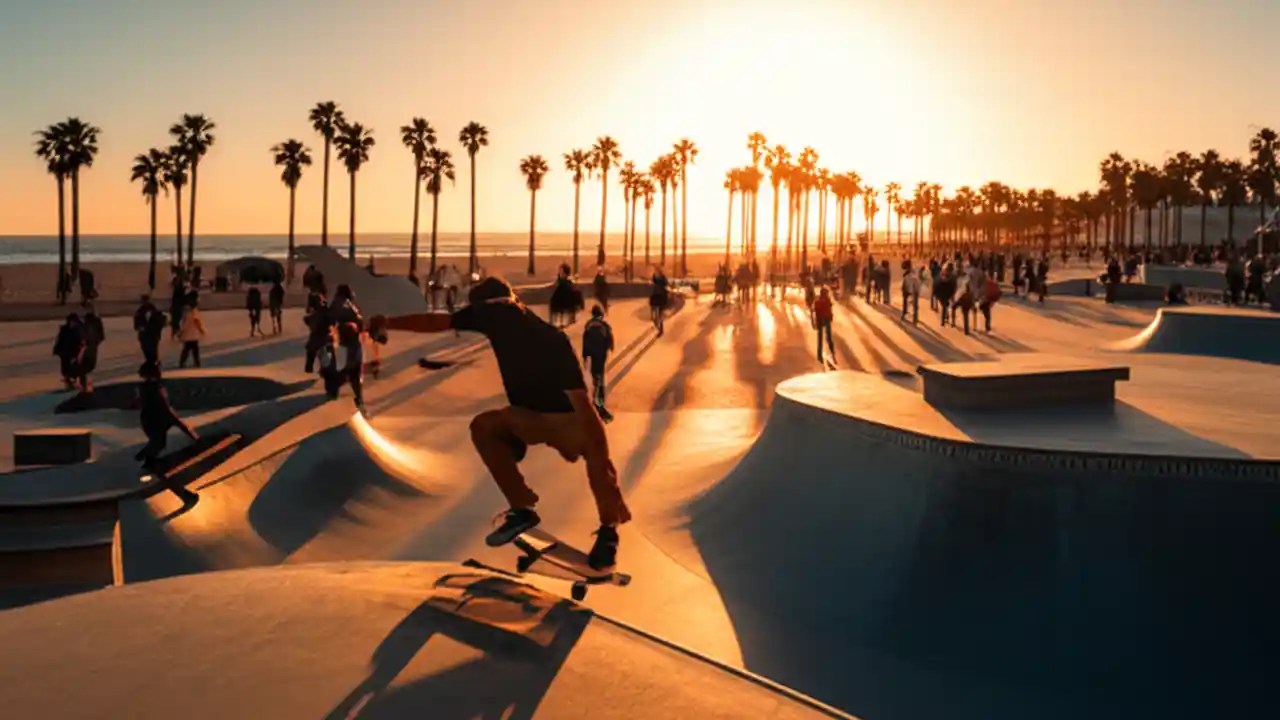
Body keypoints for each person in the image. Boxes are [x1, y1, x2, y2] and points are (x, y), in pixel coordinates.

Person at [388, 277, 628, 570]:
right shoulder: (498, 318)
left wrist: (607, 481)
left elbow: (584, 406)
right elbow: (437, 322)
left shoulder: (548, 338)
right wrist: (387, 322)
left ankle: (607, 532)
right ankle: (525, 507)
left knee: (596, 456)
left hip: (567, 421)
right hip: (528, 418)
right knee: (484, 425)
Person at [133, 360, 200, 506]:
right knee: (157, 465)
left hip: (150, 424)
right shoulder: (155, 389)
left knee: (156, 463)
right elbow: (169, 412)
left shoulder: (145, 389)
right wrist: (191, 434)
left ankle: (185, 496)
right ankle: (185, 496)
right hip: (156, 425)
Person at [582, 304, 615, 421]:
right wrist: (610, 347)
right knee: (600, 377)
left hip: (592, 353)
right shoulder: (604, 325)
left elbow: (585, 341)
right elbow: (610, 339)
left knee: (594, 375)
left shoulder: (589, 325)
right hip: (601, 354)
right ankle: (599, 402)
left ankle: (595, 399)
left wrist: (585, 355)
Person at [53, 314, 84, 391]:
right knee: (65, 368)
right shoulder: (65, 330)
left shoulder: (78, 329)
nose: (72, 323)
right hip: (65, 351)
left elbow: (80, 340)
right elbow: (59, 340)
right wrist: (57, 349)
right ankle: (69, 382)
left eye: (73, 322)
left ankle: (72, 381)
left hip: (72, 352)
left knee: (73, 368)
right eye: (71, 322)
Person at [79, 309, 105, 392]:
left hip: (88, 349)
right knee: (87, 367)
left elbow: (101, 335)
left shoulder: (87, 326)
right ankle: (84, 383)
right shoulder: (93, 325)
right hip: (90, 349)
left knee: (85, 367)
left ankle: (84, 383)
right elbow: (101, 335)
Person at [178, 296, 206, 368]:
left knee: (187, 349)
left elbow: (184, 323)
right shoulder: (194, 312)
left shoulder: (187, 312)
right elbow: (196, 321)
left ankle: (183, 362)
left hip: (188, 333)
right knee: (194, 349)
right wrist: (201, 329)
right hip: (193, 334)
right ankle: (196, 362)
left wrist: (181, 332)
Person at [813, 286, 835, 365]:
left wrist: (814, 322)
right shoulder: (826, 300)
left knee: (820, 338)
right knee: (828, 337)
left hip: (820, 320)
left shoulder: (818, 301)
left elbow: (815, 311)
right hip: (826, 319)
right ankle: (832, 353)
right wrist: (831, 317)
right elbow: (829, 310)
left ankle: (819, 354)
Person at [649, 266, 669, 336]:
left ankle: (660, 329)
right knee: (657, 315)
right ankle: (659, 328)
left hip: (660, 298)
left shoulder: (662, 279)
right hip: (657, 297)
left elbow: (665, 284)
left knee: (659, 315)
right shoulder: (657, 279)